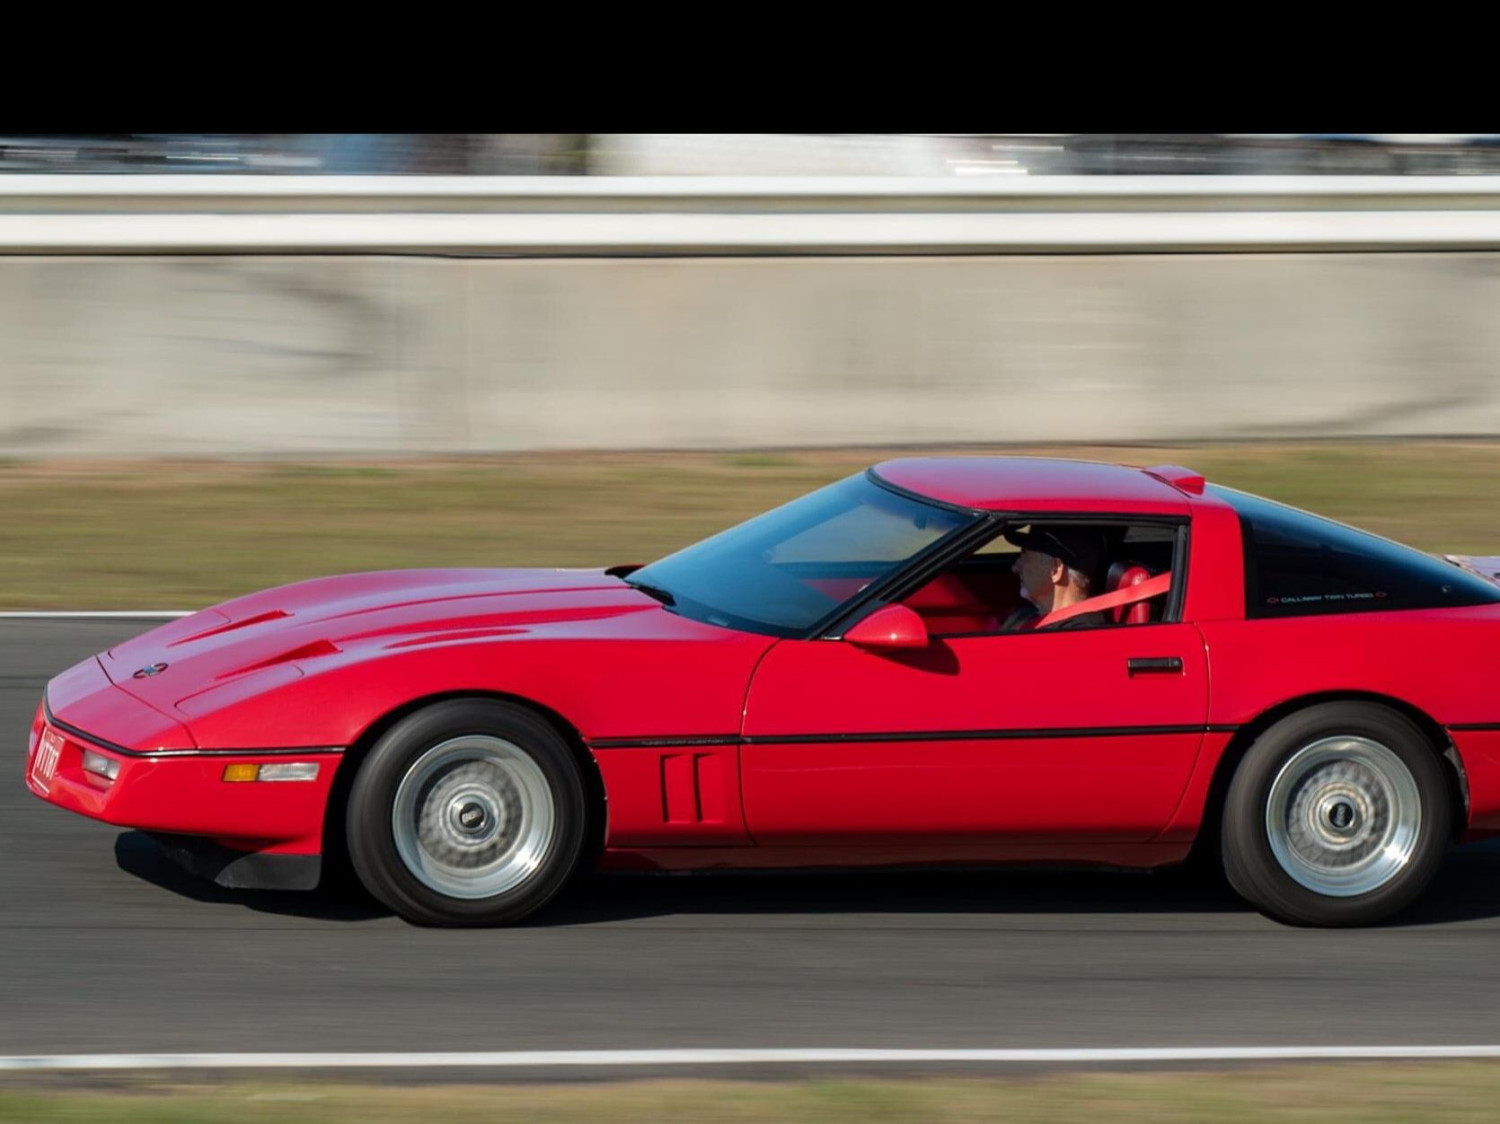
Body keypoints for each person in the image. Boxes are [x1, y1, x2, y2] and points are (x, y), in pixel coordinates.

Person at [1003, 525, 1111, 630]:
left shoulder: (1078, 635)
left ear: (1055, 569)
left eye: (1025, 555)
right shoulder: (1025, 615)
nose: (1015, 567)